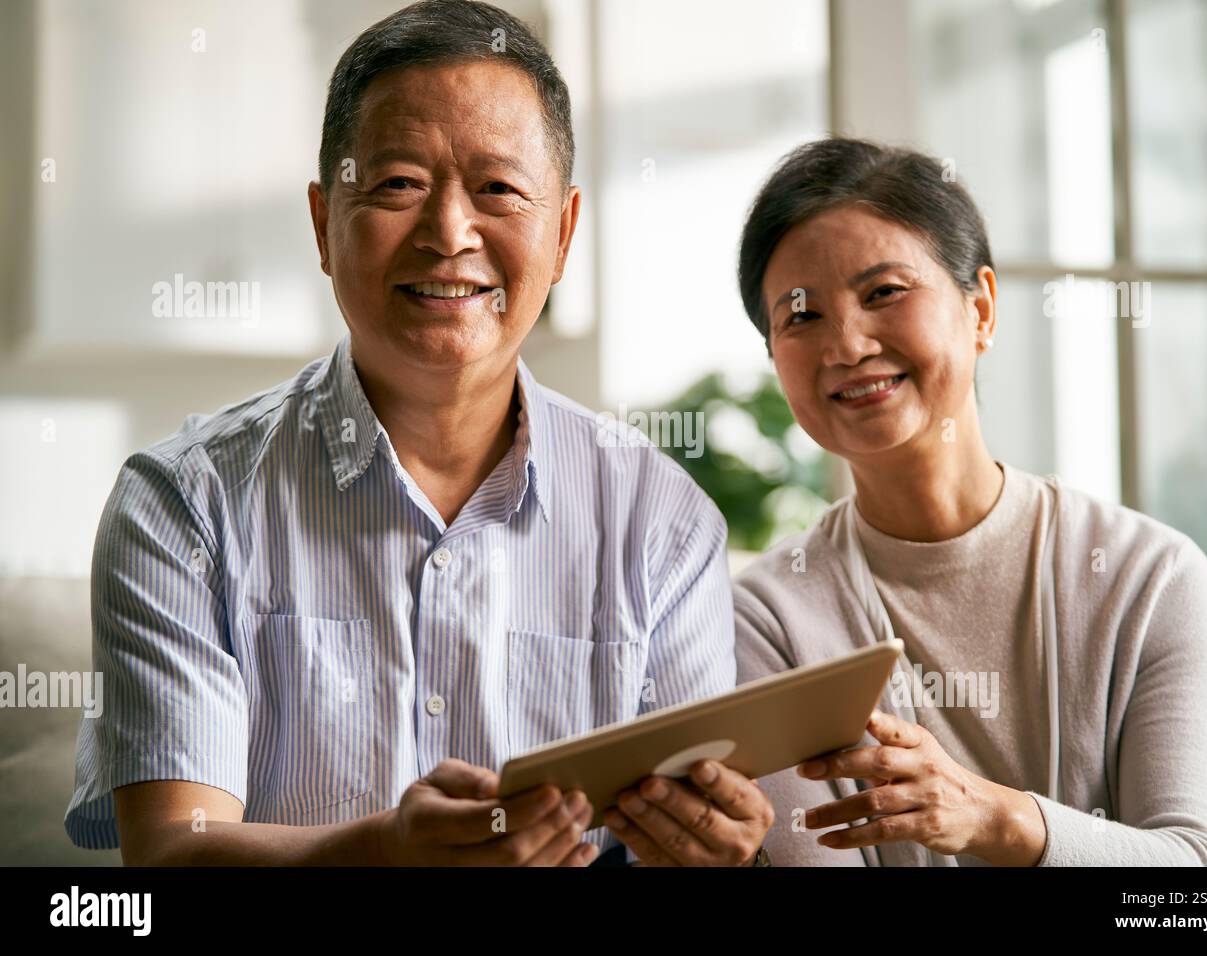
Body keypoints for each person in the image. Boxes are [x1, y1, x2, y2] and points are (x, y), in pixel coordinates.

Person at [65, 0, 772, 867]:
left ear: (563, 234)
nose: (448, 233)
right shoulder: (185, 502)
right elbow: (172, 854)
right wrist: (386, 854)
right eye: (399, 183)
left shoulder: (661, 522)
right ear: (325, 224)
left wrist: (710, 852)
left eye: (500, 190)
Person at [731, 137, 1207, 866]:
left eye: (884, 293)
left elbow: (1195, 889)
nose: (846, 345)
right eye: (802, 317)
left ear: (982, 309)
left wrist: (993, 818)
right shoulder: (766, 618)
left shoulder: (1151, 579)